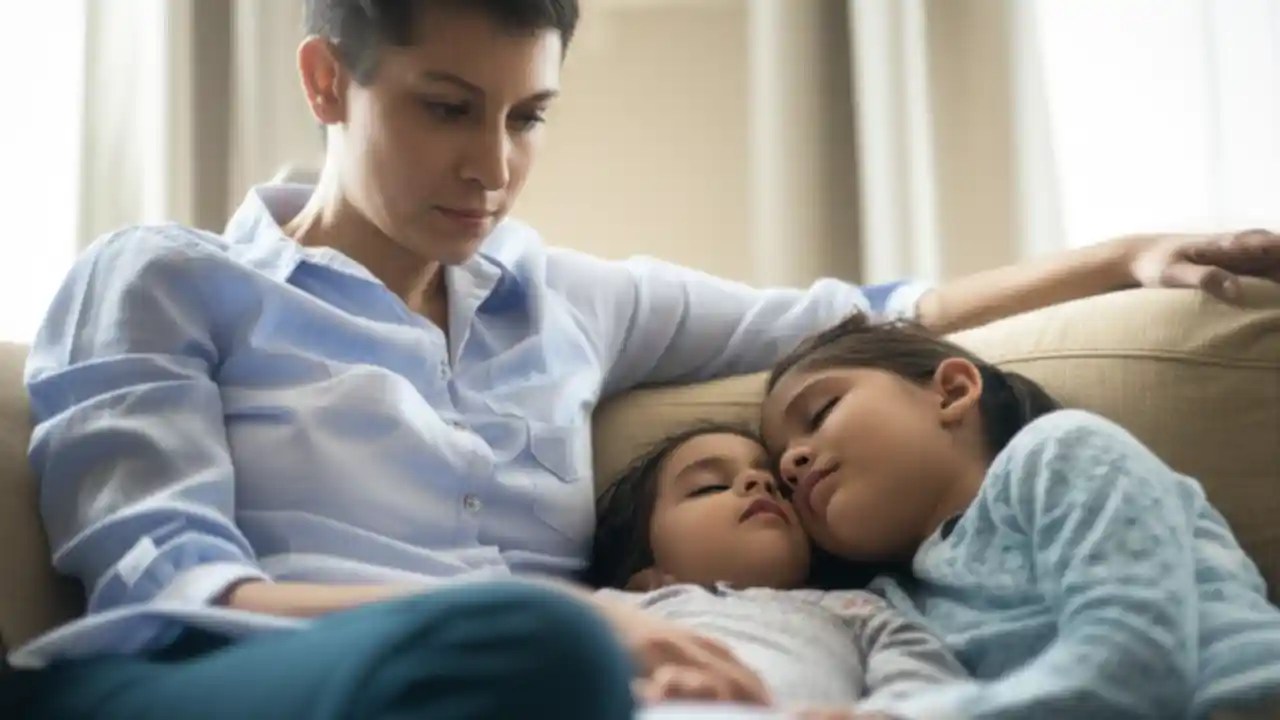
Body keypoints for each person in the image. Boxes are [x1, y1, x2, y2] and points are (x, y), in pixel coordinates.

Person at [4, 0, 1279, 715]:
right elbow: (174, 592)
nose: (491, 167)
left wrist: (1116, 259)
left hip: (546, 688)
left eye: (526, 117)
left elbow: (857, 307)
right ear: (328, 82)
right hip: (217, 683)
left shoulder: (569, 300)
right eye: (446, 107)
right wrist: (556, 613)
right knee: (535, 661)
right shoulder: (167, 276)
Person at [761, 314, 1280, 718]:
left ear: (953, 392)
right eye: (783, 474)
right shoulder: (885, 606)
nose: (791, 461)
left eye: (821, 413)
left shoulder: (1061, 451)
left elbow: (1138, 662)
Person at [586, 424, 967, 718]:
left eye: (781, 488)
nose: (760, 482)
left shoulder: (857, 609)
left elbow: (928, 674)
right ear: (647, 577)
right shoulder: (627, 608)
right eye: (709, 487)